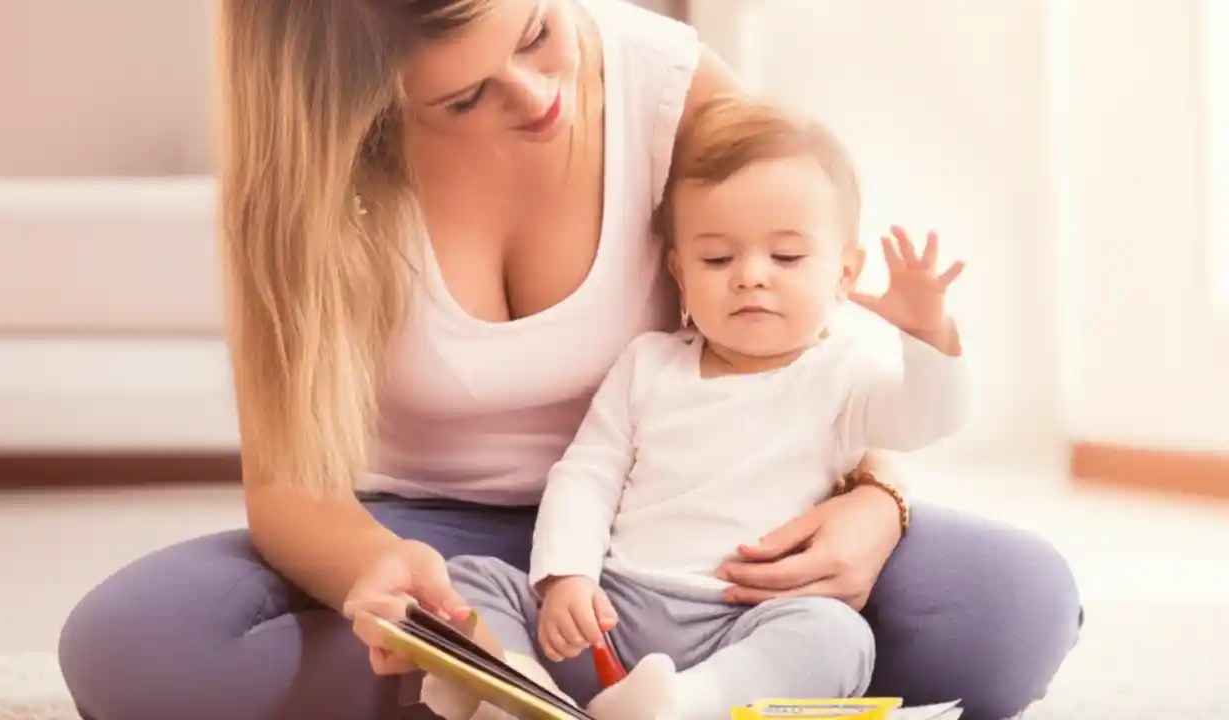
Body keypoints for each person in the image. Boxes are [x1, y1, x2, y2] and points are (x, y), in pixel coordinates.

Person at [56, 1, 1082, 719]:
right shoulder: (307, 182)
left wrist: (877, 500)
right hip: (430, 544)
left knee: (1009, 608)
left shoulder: (669, 86)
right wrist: (374, 573)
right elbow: (287, 486)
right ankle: (543, 680)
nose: (538, 93)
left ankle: (553, 693)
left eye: (539, 31)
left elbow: (810, 333)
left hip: (693, 534)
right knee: (131, 645)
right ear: (356, 92)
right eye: (464, 97)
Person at [404, 95, 974, 720]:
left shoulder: (843, 376)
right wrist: (568, 578)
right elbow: (588, 475)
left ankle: (683, 706)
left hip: (742, 620)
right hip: (611, 614)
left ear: (845, 273)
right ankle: (519, 691)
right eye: (717, 258)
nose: (750, 276)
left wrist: (927, 334)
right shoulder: (649, 364)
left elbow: (926, 420)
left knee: (837, 637)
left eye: (786, 257)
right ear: (679, 273)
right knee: (471, 581)